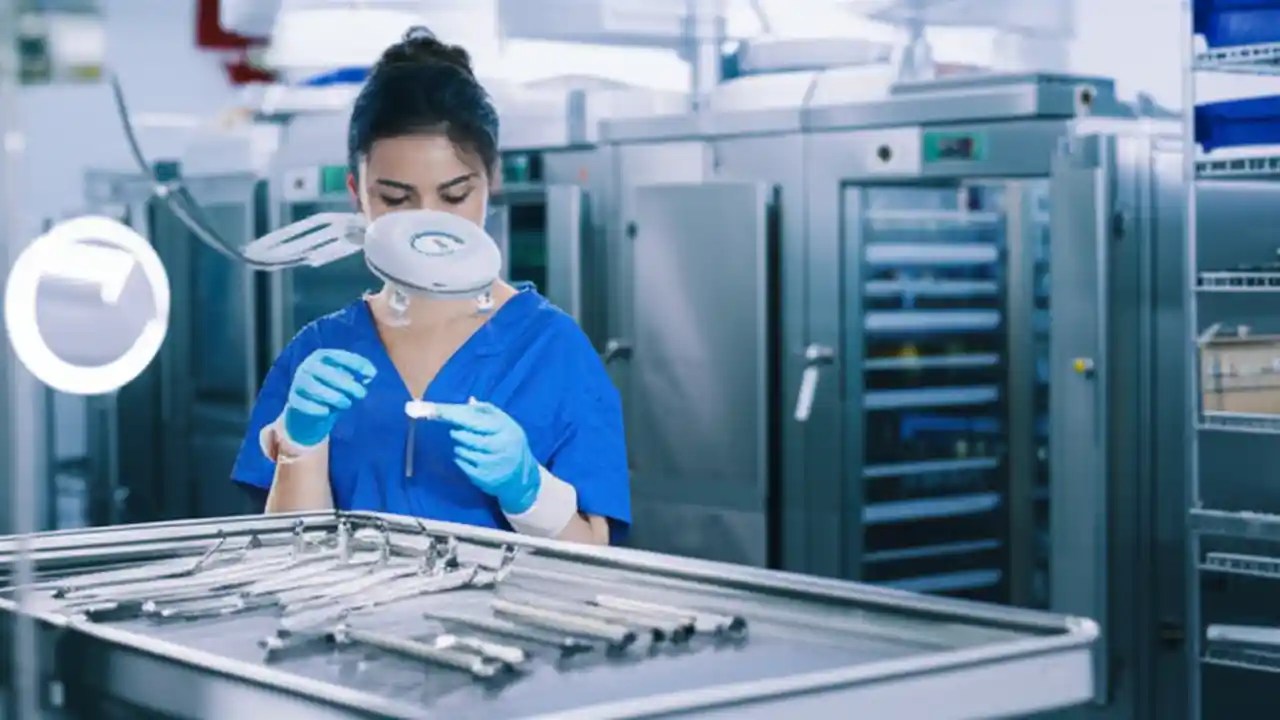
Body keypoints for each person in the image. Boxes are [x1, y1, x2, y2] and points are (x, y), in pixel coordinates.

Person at [230, 27, 630, 545]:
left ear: (492, 183)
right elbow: (285, 551)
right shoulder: (319, 353)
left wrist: (530, 493)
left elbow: (594, 554)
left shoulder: (553, 351)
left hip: (500, 624)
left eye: (454, 195)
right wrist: (300, 448)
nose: (427, 225)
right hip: (343, 622)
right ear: (357, 194)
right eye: (396, 199)